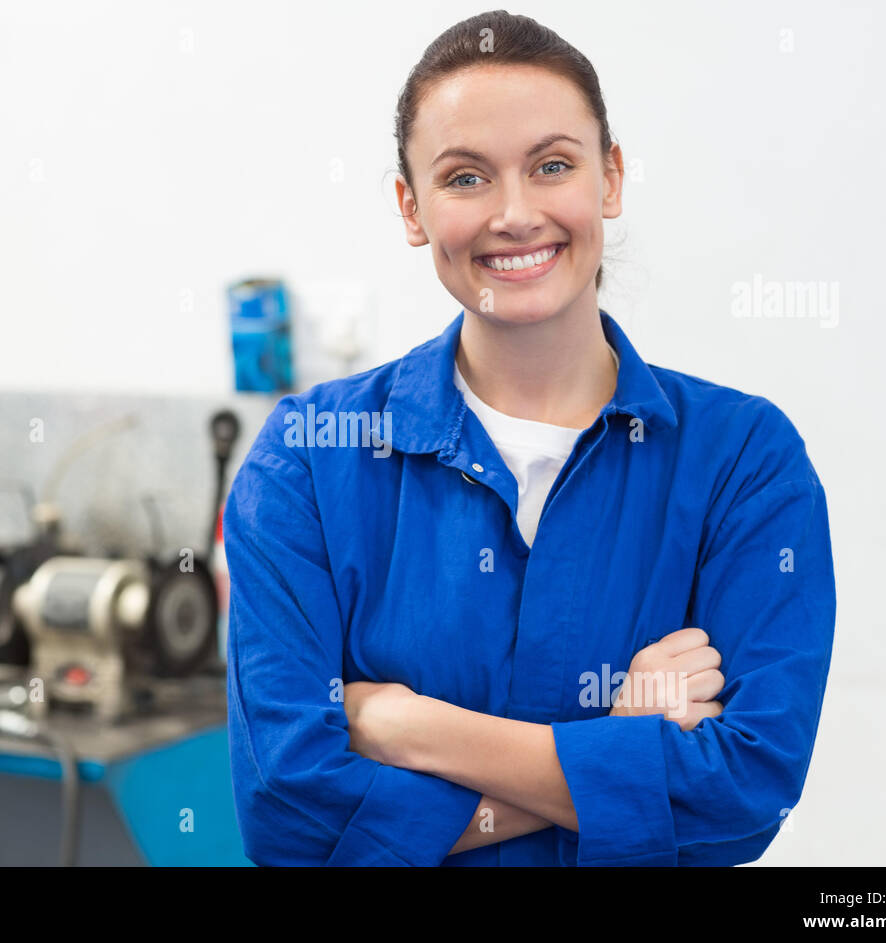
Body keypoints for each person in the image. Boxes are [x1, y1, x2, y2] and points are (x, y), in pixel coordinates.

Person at [222, 10, 835, 866]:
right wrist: (617, 748)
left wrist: (408, 727)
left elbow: (743, 793)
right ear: (412, 207)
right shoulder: (307, 460)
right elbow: (287, 813)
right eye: (466, 178)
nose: (515, 214)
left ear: (610, 179)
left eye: (552, 166)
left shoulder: (744, 462)